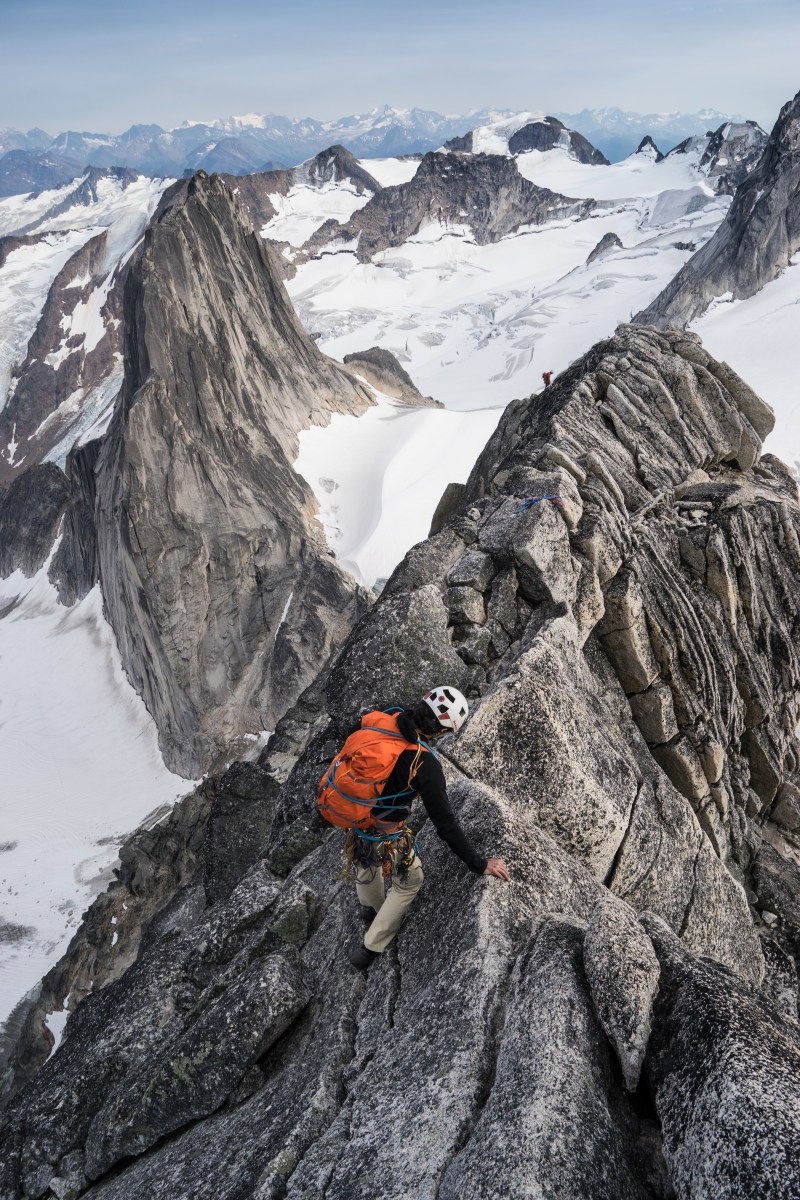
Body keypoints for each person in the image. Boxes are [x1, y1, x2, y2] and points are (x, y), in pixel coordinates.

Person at [317, 686, 510, 970]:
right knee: (411, 881)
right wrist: (479, 863)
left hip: (357, 817)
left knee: (366, 858)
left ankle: (370, 908)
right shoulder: (425, 764)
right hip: (387, 830)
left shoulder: (386, 718)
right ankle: (370, 947)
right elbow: (444, 822)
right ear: (442, 731)